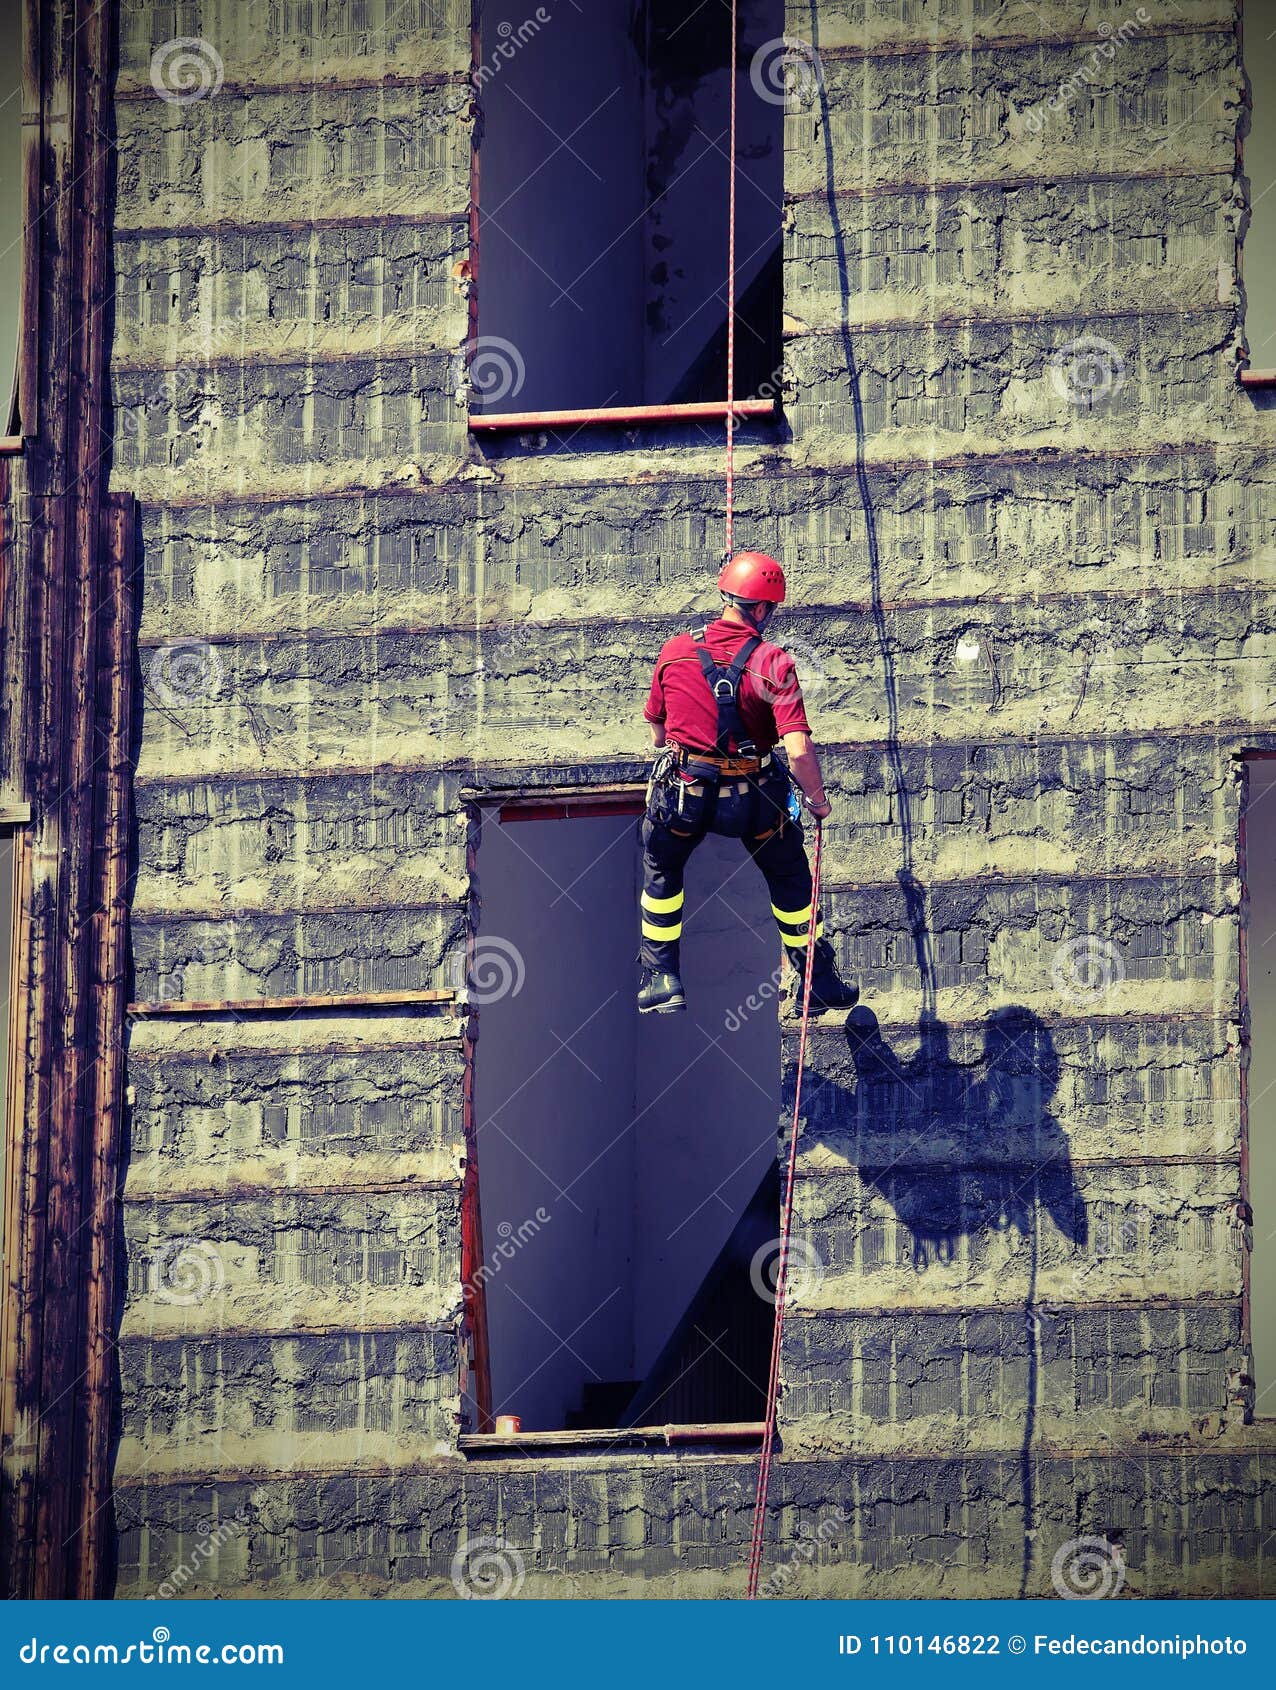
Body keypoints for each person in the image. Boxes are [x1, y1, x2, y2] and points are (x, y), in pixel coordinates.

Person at [638, 551, 859, 1015]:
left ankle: (663, 979)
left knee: (663, 865)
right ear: (760, 609)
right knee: (789, 878)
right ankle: (816, 980)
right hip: (752, 800)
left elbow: (659, 735)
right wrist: (818, 802)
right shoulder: (773, 662)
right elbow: (797, 750)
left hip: (685, 796)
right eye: (771, 610)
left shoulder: (675, 649)